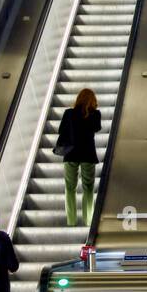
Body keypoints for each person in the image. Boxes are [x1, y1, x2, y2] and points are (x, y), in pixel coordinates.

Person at [59, 88, 102, 226]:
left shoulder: (68, 113)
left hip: (71, 153)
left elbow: (61, 130)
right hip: (87, 154)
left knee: (70, 188)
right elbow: (97, 128)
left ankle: (71, 221)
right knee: (88, 188)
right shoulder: (95, 114)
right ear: (92, 100)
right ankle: (88, 220)